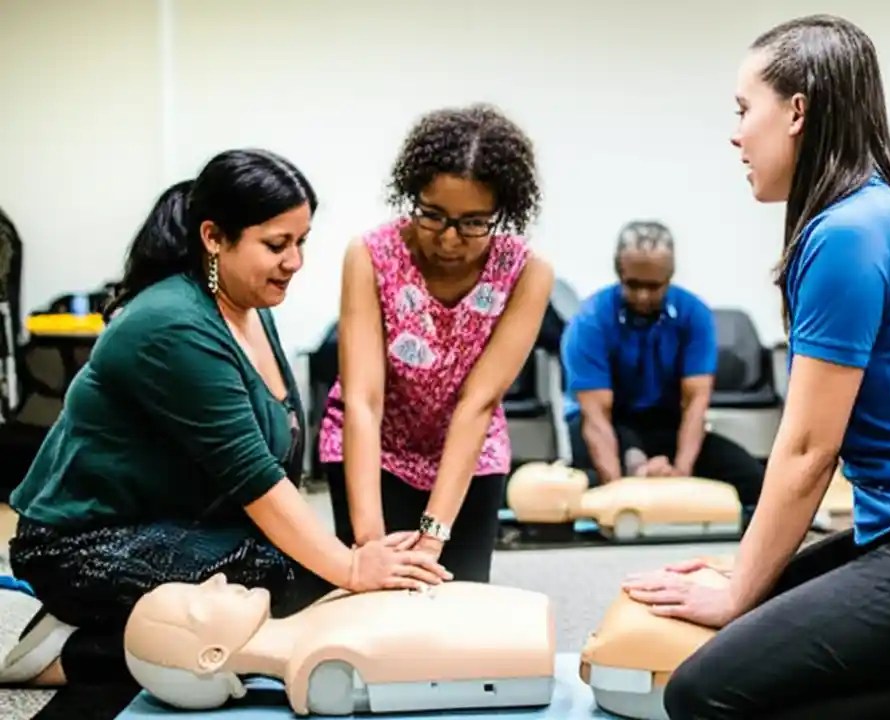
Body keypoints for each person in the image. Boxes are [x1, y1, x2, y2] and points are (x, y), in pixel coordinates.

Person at [620, 15, 890, 720]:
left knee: (704, 696)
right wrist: (747, 575)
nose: (735, 133)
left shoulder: (847, 232)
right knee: (753, 619)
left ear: (796, 111)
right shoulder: (863, 211)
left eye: (742, 109)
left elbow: (808, 450)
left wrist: (737, 593)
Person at [0, 150, 447, 688]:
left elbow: (275, 470)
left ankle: (128, 626)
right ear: (214, 238)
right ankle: (68, 653)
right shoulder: (173, 325)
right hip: (79, 543)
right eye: (277, 245)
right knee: (279, 585)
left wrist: (350, 560)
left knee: (305, 581)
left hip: (168, 520)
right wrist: (352, 568)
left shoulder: (249, 307)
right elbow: (253, 477)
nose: (295, 262)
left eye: (301, 242)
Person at [317, 104, 553, 584]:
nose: (449, 239)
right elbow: (364, 399)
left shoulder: (527, 272)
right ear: (412, 195)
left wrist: (433, 534)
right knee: (372, 606)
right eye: (433, 216)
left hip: (468, 454)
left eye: (472, 223)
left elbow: (478, 402)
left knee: (456, 605)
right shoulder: (371, 254)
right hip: (372, 451)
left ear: (502, 213)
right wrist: (369, 543)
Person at [560, 220, 764, 519]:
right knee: (605, 471)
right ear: (620, 274)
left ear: (670, 277)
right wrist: (621, 493)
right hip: (610, 423)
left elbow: (695, 404)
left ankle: (652, 469)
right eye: (634, 285)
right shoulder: (590, 320)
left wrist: (681, 475)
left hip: (667, 423)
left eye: (654, 286)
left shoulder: (694, 314)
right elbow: (596, 417)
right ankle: (635, 468)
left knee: (754, 481)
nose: (643, 296)